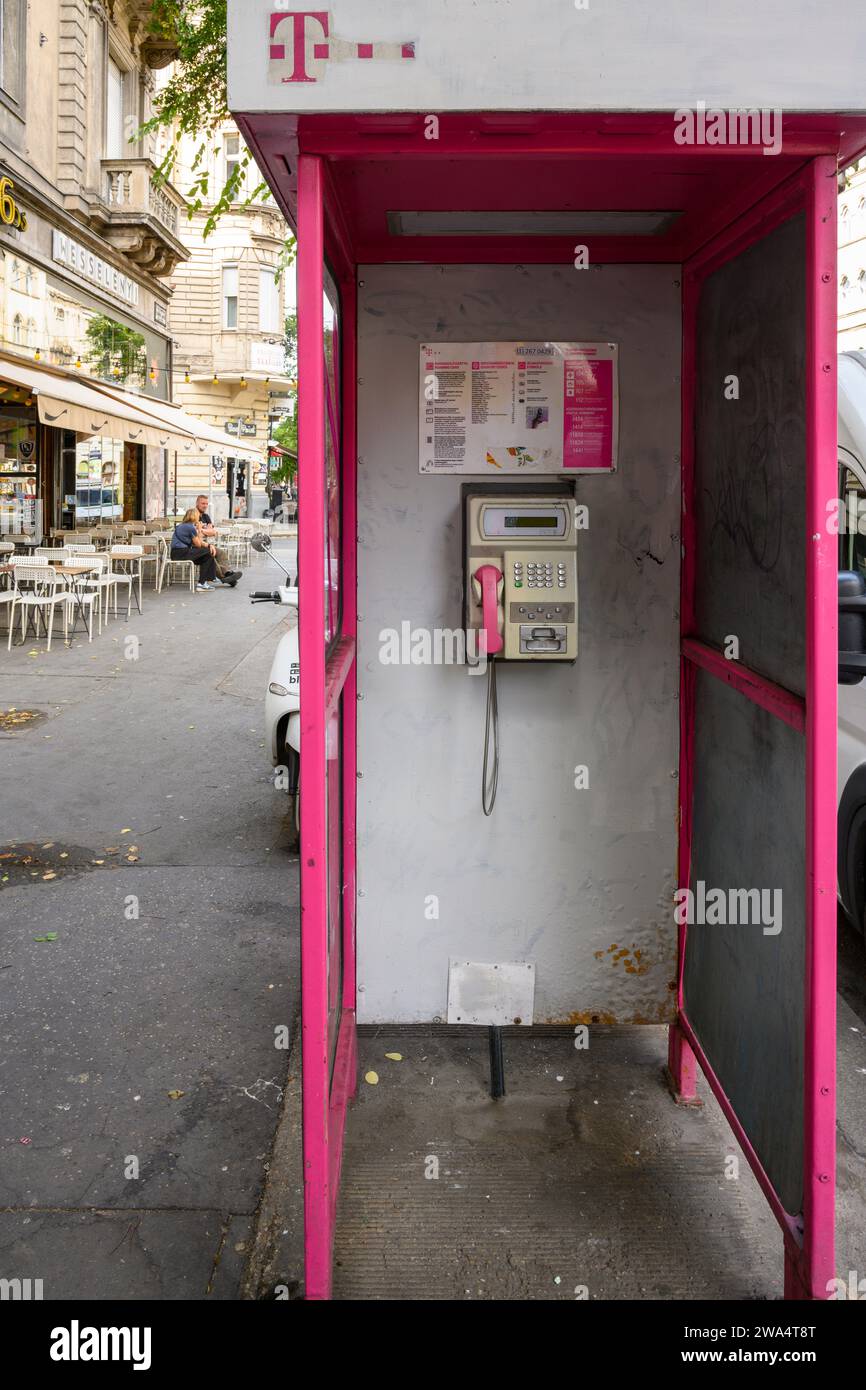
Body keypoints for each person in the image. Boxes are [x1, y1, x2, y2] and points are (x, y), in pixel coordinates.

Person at [194, 495, 242, 588]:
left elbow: (213, 532)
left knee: (221, 553)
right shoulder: (193, 515)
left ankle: (227, 573)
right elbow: (195, 533)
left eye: (206, 504)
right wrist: (205, 530)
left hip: (206, 544)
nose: (205, 505)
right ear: (197, 503)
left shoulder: (206, 516)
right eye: (203, 503)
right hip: (196, 545)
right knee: (210, 554)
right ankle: (224, 577)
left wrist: (202, 530)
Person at [170, 508, 219, 591]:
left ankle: (203, 583)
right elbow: (199, 544)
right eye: (198, 516)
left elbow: (197, 542)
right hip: (181, 553)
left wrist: (209, 545)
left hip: (176, 553)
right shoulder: (190, 527)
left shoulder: (181, 526)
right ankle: (205, 581)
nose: (199, 518)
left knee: (206, 557)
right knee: (207, 552)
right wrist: (199, 529)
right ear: (194, 517)